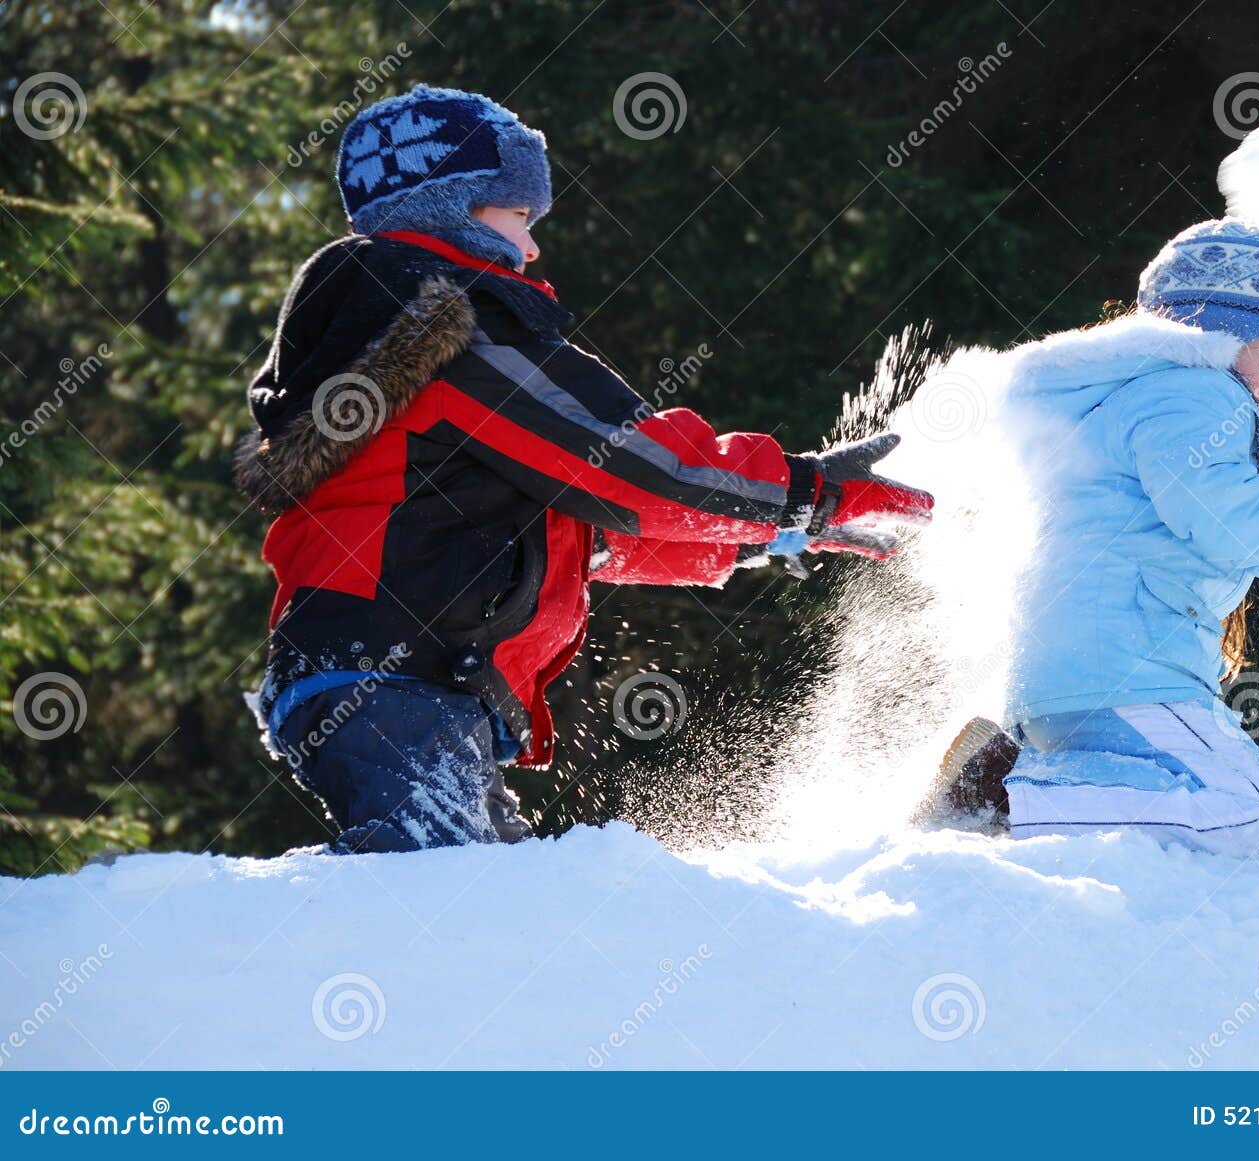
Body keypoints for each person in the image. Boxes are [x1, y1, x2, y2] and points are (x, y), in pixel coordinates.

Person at [235, 85, 931, 854]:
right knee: (443, 901)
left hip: (388, 686)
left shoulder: (405, 344)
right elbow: (634, 466)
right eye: (519, 216)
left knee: (499, 895)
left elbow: (564, 531)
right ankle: (235, 934)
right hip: (390, 686)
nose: (531, 248)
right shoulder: (449, 328)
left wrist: (760, 538)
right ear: (450, 208)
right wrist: (808, 493)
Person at [993, 218, 1259, 862]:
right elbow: (1220, 509)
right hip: (1125, 676)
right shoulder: (1195, 392)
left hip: (1091, 677)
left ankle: (1013, 793)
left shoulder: (1146, 397)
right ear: (1229, 324)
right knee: (1257, 827)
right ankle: (1004, 798)